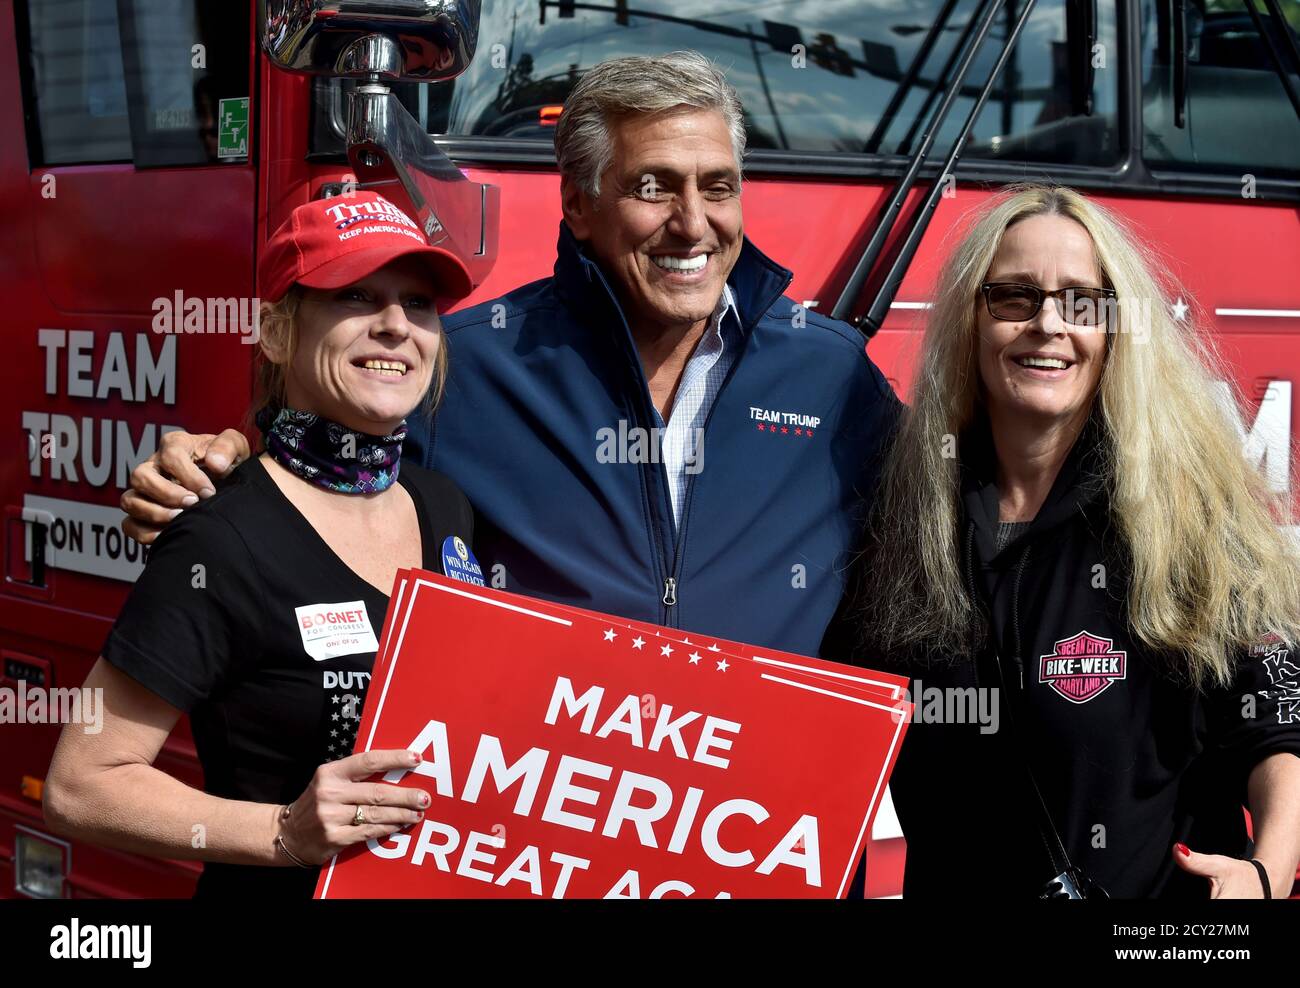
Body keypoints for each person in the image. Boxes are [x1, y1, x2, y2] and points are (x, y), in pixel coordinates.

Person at [117, 51, 900, 658]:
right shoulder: (464, 365)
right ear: (579, 205)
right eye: (654, 187)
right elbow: (308, 487)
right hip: (531, 842)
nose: (693, 223)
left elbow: (953, 529)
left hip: (748, 842)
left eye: (719, 187)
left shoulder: (830, 375)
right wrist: (215, 465)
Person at [825, 184, 1300, 899]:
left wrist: (1265, 872)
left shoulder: (1191, 517)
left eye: (1081, 302)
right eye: (1014, 298)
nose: (1048, 324)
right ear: (972, 321)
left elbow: (1277, 725)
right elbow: (827, 730)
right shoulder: (902, 517)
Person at [43, 192, 478, 898]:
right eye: (356, 295)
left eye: (419, 302)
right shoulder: (220, 535)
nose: (396, 325)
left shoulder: (444, 505)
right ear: (276, 335)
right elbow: (81, 787)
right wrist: (285, 832)